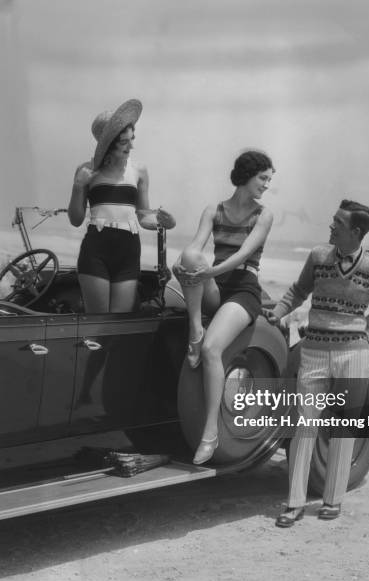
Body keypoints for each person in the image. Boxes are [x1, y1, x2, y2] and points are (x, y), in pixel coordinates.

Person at [264, 199, 369, 525]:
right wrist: (278, 312)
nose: (330, 227)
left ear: (356, 232)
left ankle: (333, 500)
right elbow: (298, 291)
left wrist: (368, 322)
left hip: (354, 353)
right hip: (314, 350)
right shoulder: (318, 257)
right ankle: (295, 503)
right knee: (304, 426)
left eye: (337, 224)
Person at [173, 150, 275, 465]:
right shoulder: (213, 210)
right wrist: (182, 267)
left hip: (243, 289)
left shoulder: (263, 215)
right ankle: (195, 328)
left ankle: (210, 433)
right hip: (217, 288)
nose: (267, 185)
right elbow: (196, 247)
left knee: (211, 351)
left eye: (269, 180)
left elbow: (243, 255)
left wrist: (208, 273)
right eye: (263, 178)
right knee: (189, 256)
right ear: (247, 174)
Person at [68, 98, 176, 313]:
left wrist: (164, 223)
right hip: (96, 250)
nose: (131, 146)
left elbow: (144, 217)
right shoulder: (86, 170)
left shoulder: (139, 171)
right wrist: (78, 186)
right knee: (98, 324)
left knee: (119, 325)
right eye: (124, 142)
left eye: (132, 139)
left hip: (129, 251)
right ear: (109, 144)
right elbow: (75, 219)